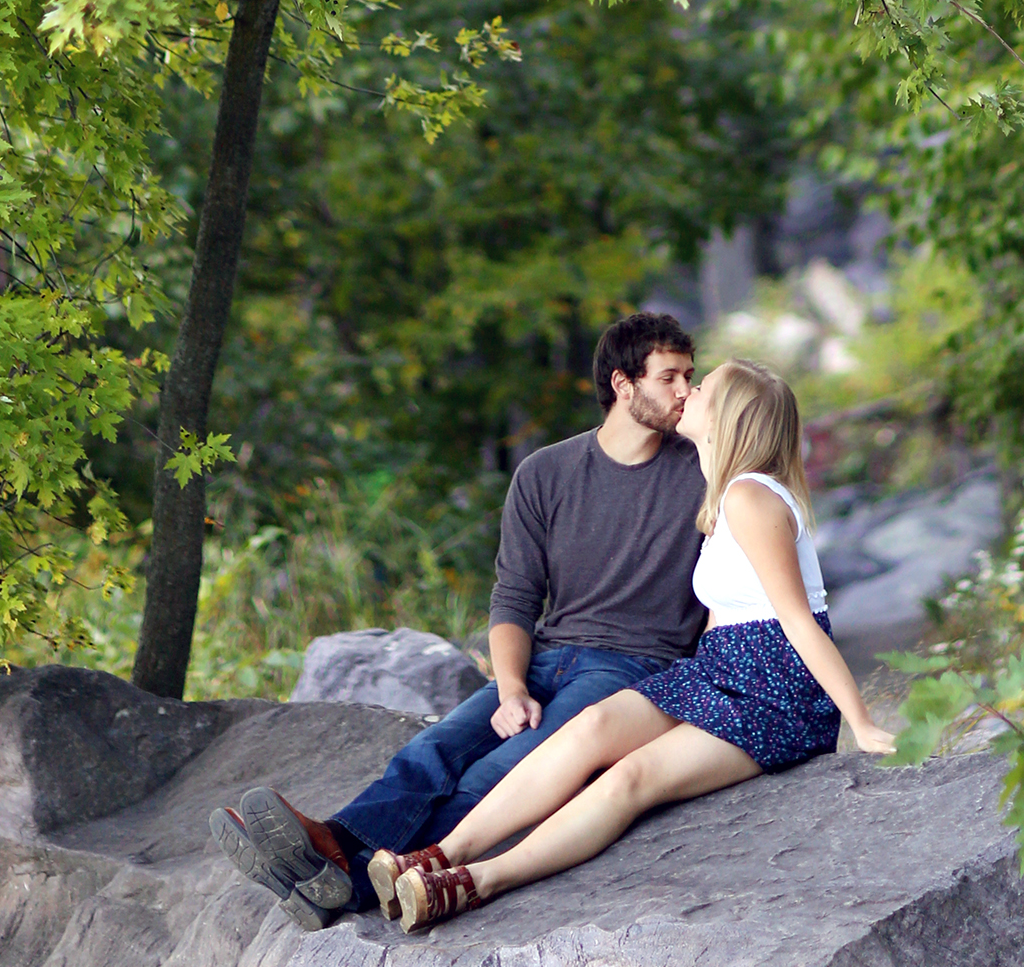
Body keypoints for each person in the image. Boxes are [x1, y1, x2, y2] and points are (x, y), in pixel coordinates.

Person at [209, 309, 705, 921]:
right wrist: (513, 687)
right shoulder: (545, 473)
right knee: (434, 749)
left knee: (500, 768)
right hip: (549, 655)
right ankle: (334, 857)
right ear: (623, 385)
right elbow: (515, 597)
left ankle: (348, 874)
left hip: (633, 669)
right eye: (670, 378)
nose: (687, 391)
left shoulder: (703, 470)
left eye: (690, 376)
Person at [383, 356, 895, 933]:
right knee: (591, 728)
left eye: (702, 388)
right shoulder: (724, 496)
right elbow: (728, 615)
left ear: (728, 417)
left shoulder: (751, 498)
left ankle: (474, 883)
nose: (689, 392)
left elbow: (800, 622)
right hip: (719, 670)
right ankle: (438, 855)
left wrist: (859, 721)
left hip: (774, 693)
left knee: (631, 777)